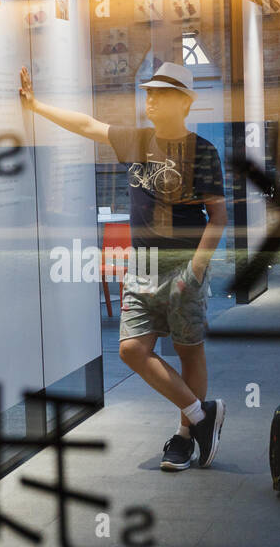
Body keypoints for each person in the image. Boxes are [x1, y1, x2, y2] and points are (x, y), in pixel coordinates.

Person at [19, 61, 227, 472]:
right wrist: (36, 106)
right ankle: (203, 417)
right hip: (143, 265)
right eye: (148, 92)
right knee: (132, 349)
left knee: (188, 352)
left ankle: (185, 438)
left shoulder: (203, 152)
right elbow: (87, 125)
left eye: (160, 93)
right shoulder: (136, 141)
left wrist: (197, 271)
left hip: (184, 265)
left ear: (184, 103)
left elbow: (218, 217)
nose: (150, 99)